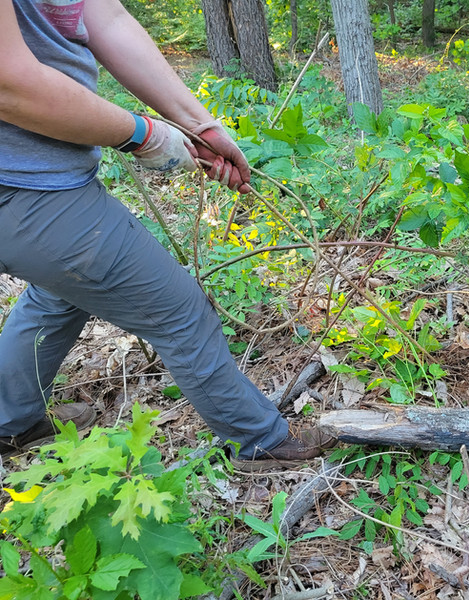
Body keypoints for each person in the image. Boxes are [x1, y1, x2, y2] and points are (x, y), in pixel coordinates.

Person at [0, 0, 334, 471]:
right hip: (24, 190)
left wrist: (199, 125)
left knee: (59, 294)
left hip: (31, 187)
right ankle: (262, 441)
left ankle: (10, 421)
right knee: (178, 312)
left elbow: (108, 20)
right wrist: (142, 134)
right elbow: (9, 82)